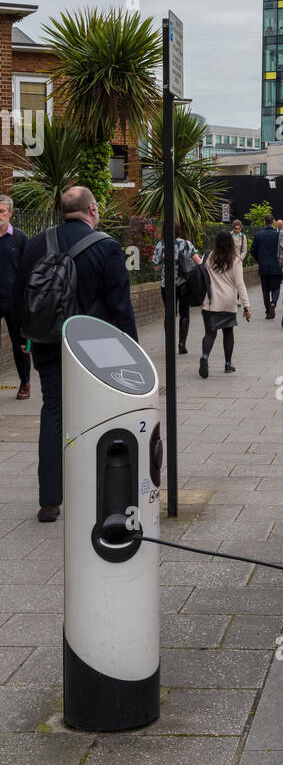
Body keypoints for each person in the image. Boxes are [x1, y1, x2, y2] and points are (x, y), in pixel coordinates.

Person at [13, 186, 136, 522]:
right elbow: (120, 306)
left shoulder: (36, 243)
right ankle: (92, 490)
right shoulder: (107, 247)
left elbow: (20, 296)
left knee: (54, 410)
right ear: (92, 210)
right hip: (95, 349)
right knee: (97, 415)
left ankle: (50, 500)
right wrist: (133, 354)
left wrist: (27, 339)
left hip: (48, 344)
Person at [198, 229, 251, 377]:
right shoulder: (235, 260)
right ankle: (228, 364)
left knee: (210, 333)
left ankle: (205, 356)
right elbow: (240, 284)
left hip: (210, 301)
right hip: (228, 302)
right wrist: (246, 305)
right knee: (228, 332)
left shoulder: (208, 258)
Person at [152, 222, 202, 354]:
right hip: (184, 284)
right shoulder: (186, 244)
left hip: (166, 285)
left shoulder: (160, 245)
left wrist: (165, 259)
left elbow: (156, 267)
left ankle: (169, 345)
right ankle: (181, 344)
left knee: (170, 314)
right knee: (184, 313)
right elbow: (198, 262)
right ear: (178, 230)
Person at [0, 194, 31, 399]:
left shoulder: (20, 238)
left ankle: (25, 383)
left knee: (20, 345)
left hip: (14, 301)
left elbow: (29, 270)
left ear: (10, 213)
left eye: (2, 211)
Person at [250, 213, 282, 318]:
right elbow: (282, 250)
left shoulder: (258, 235)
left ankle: (268, 312)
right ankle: (273, 303)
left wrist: (260, 259)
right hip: (276, 266)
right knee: (276, 288)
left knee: (265, 290)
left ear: (264, 222)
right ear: (273, 223)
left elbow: (253, 250)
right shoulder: (278, 235)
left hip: (263, 267)